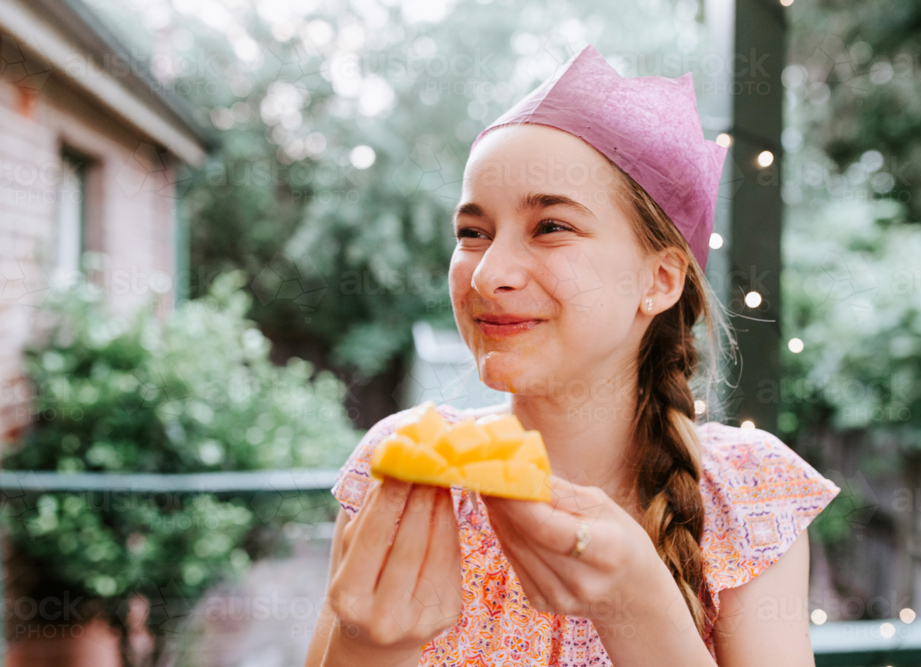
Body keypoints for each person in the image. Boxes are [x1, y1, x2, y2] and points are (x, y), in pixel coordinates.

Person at [305, 44, 841, 667]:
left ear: (661, 280)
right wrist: (367, 647)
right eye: (472, 234)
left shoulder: (749, 495)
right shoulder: (398, 467)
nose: (487, 276)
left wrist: (638, 604)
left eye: (551, 226)